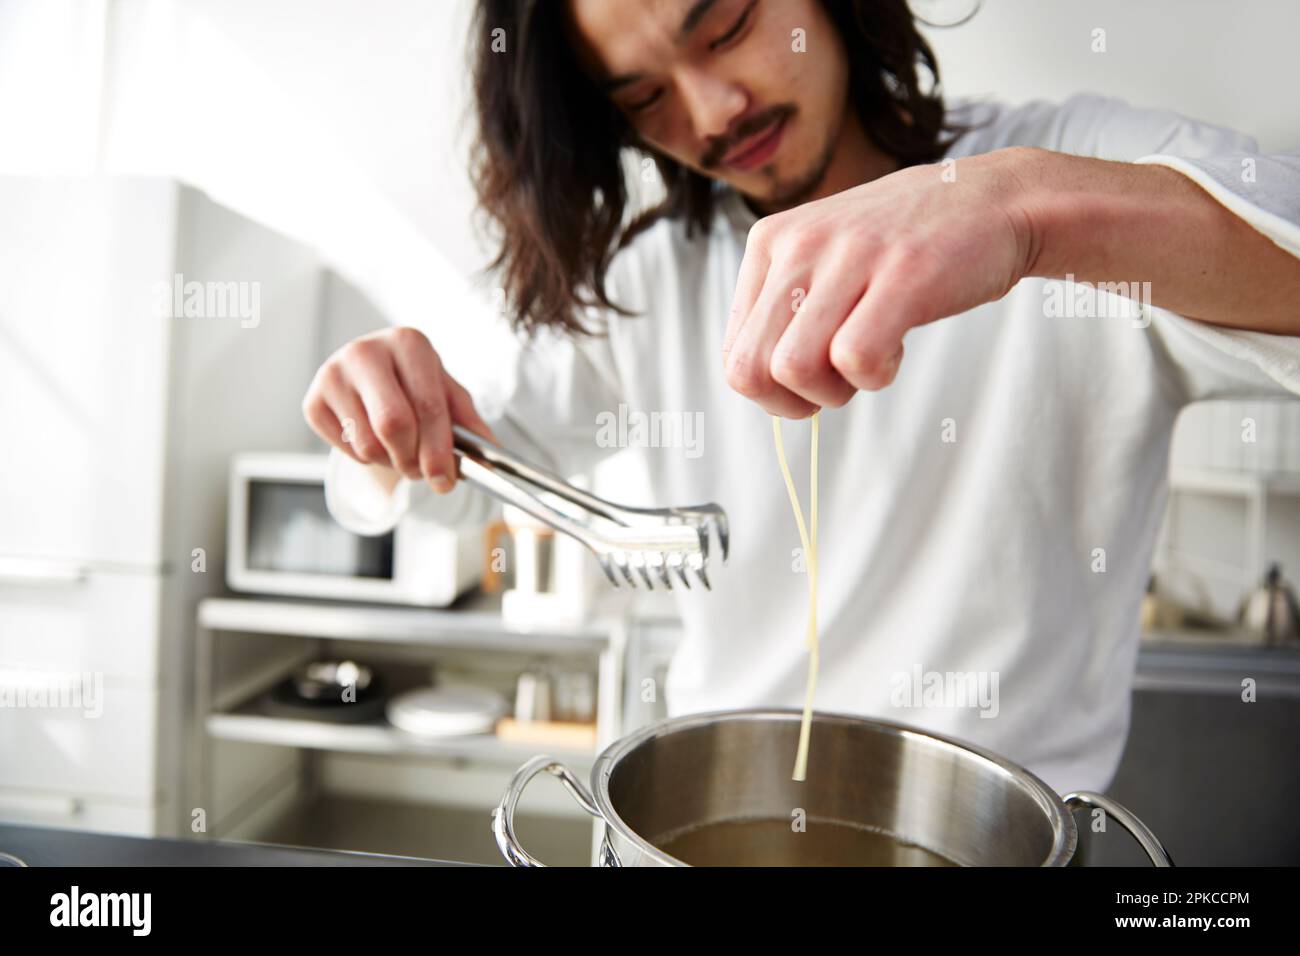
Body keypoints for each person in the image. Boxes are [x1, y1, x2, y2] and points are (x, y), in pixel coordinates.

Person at [303, 0, 1300, 793]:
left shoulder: (1068, 172)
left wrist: (1020, 211)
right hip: (710, 811)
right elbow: (464, 477)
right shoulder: (655, 280)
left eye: (727, 25)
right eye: (645, 95)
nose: (708, 112)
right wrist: (383, 421)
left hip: (998, 830)